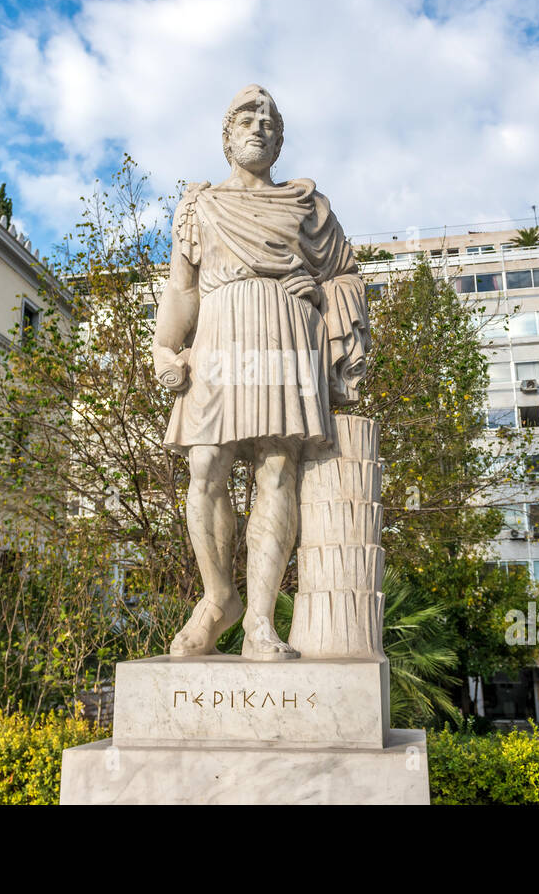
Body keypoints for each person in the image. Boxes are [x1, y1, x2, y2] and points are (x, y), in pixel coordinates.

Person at [153, 85, 369, 660]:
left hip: (284, 334)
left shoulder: (308, 205)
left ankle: (258, 622)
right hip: (220, 332)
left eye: (270, 120)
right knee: (206, 465)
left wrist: (322, 292)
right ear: (226, 135)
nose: (260, 127)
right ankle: (217, 597)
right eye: (247, 119)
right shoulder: (199, 205)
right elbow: (182, 288)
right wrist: (163, 347)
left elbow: (348, 275)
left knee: (277, 467)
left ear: (280, 137)